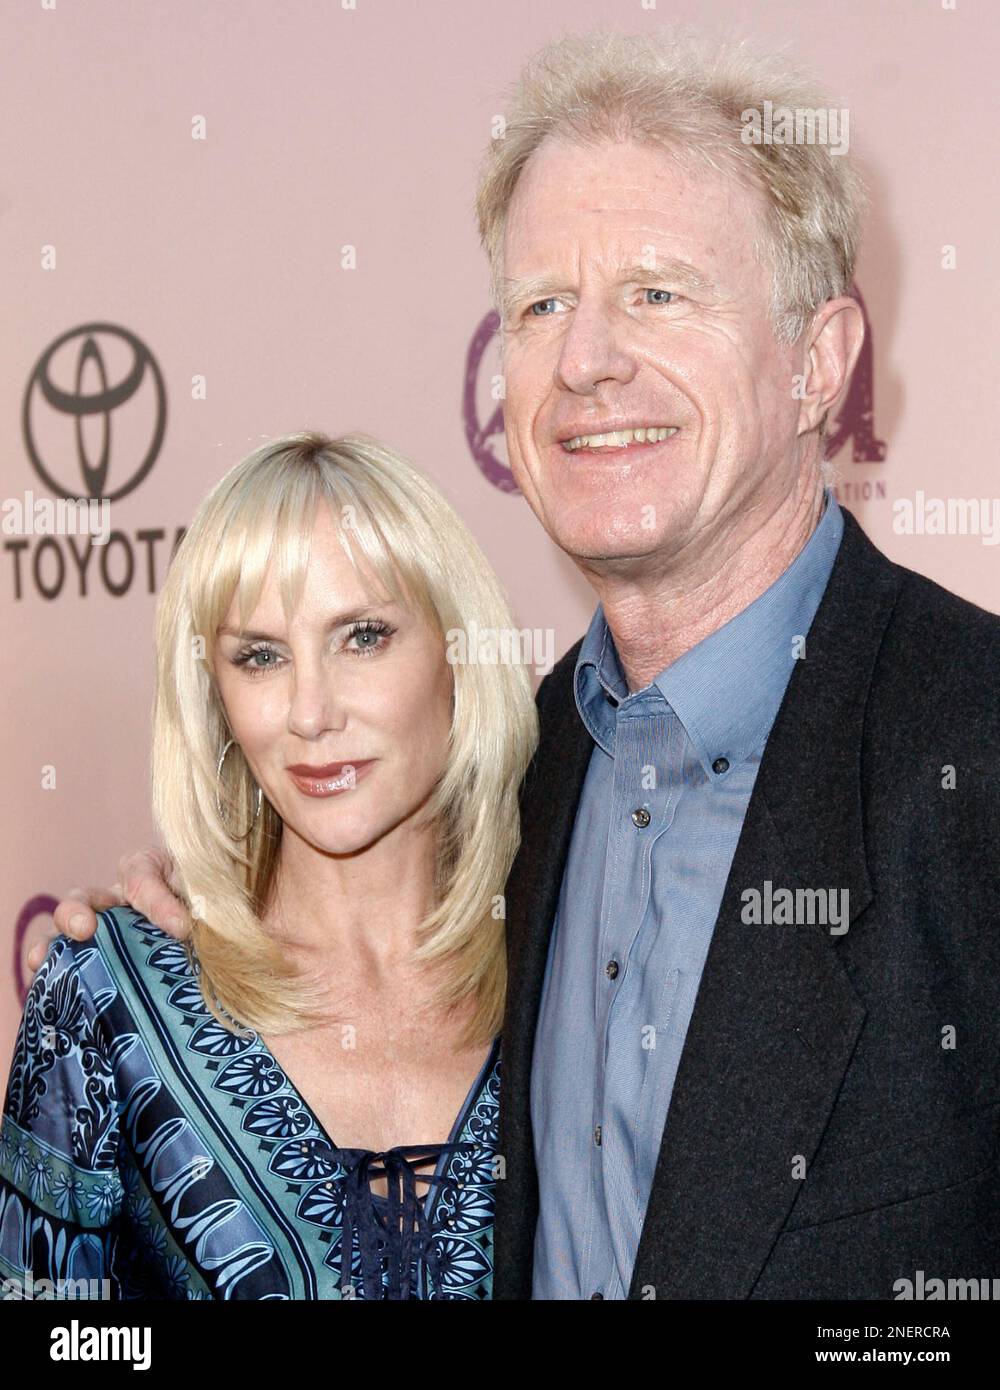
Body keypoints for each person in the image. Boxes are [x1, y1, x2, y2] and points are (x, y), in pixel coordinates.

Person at [37, 29, 1000, 1299]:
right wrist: (185, 925)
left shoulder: (970, 751)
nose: (586, 360)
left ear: (819, 364)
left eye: (658, 292)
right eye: (543, 304)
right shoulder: (526, 790)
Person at [1, 432, 538, 1300]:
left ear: (458, 654)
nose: (310, 712)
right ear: (215, 696)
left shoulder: (570, 968)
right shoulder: (102, 995)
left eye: (363, 636)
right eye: (260, 656)